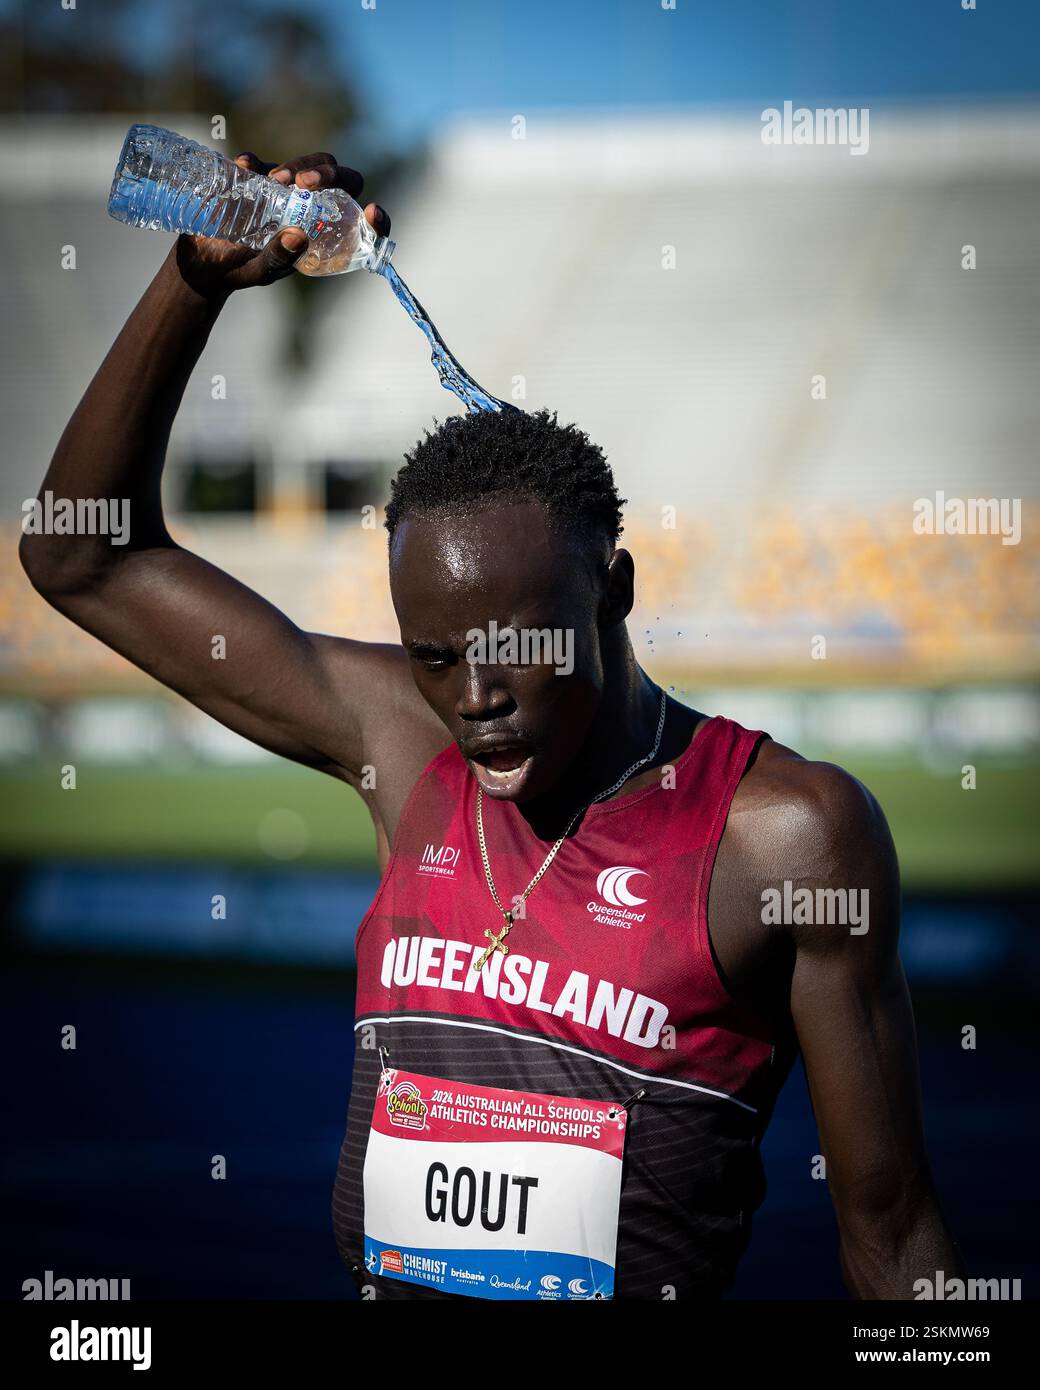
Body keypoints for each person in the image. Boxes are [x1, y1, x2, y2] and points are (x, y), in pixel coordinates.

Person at [21, 149, 963, 1301]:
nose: (473, 697)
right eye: (432, 656)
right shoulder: (403, 745)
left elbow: (892, 1225)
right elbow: (81, 554)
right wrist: (192, 281)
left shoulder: (783, 836)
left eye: (517, 648)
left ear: (611, 596)